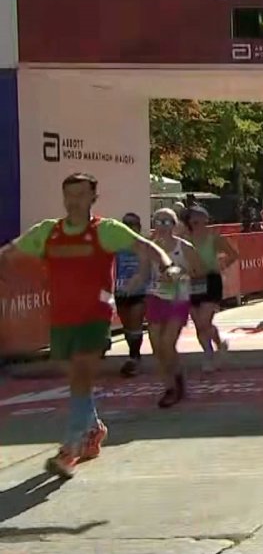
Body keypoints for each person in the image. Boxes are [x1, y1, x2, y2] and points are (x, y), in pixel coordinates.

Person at [0, 173, 175, 478]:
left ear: (93, 197)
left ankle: (71, 447)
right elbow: (11, 252)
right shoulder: (48, 232)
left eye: (81, 195)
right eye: (69, 195)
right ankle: (93, 428)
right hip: (62, 319)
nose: (73, 201)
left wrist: (168, 264)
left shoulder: (105, 230)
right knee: (75, 379)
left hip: (95, 315)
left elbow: (145, 247)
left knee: (81, 372)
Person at [144, 209, 203, 408]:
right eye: (158, 221)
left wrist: (181, 273)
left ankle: (177, 382)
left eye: (167, 221)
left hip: (179, 297)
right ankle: (169, 385)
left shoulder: (184, 247)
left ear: (174, 224)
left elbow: (199, 271)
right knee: (156, 345)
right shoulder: (150, 248)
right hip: (156, 296)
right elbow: (142, 272)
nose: (162, 225)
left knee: (167, 343)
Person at [182, 207, 238, 372]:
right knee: (199, 324)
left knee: (205, 321)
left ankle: (211, 352)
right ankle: (211, 349)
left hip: (210, 280)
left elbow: (233, 255)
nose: (198, 224)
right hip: (190, 282)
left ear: (206, 220)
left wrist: (222, 264)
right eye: (194, 221)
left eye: (201, 220)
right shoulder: (184, 239)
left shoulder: (214, 238)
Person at [113, 212, 148, 378]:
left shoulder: (144, 245)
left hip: (140, 292)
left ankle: (134, 357)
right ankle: (134, 352)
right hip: (121, 291)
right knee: (127, 326)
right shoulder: (116, 246)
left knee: (136, 322)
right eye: (126, 223)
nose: (129, 226)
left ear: (138, 227)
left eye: (132, 224)